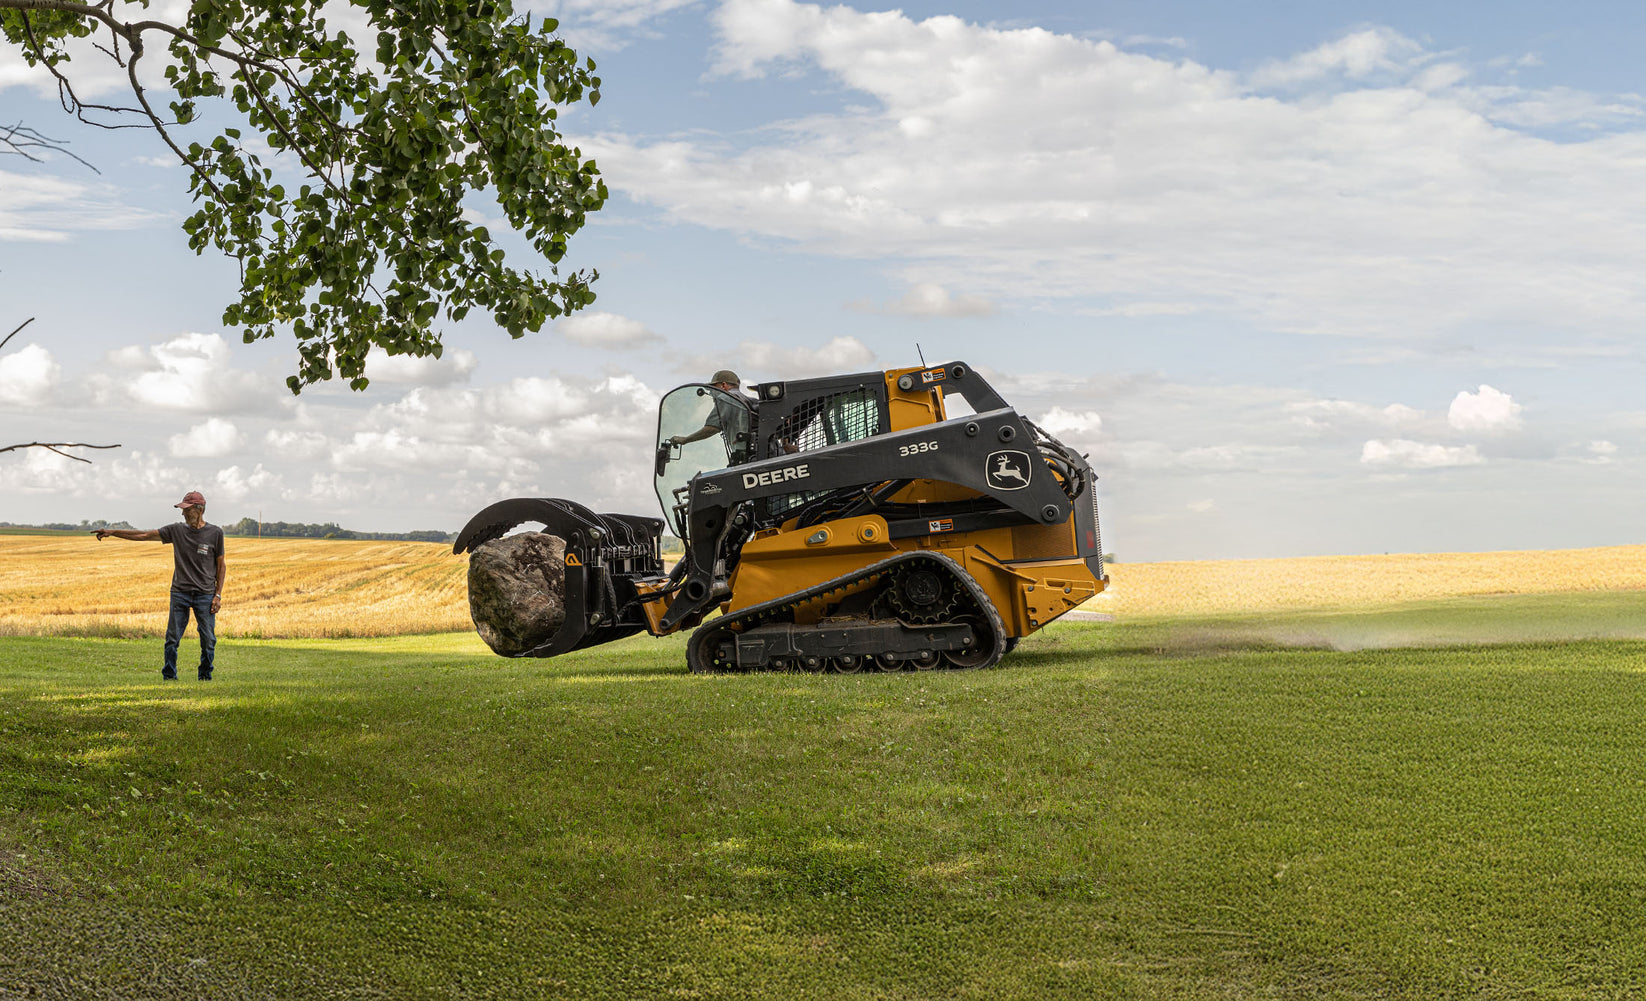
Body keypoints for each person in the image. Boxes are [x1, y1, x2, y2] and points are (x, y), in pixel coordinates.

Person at [96, 491, 226, 681]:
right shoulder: (176, 530)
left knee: (208, 640)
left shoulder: (215, 533)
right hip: (180, 593)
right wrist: (113, 532)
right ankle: (169, 677)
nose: (183, 513)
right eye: (182, 510)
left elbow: (221, 566)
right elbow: (144, 535)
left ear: (199, 510)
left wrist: (218, 595)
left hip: (205, 594)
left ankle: (205, 676)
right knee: (172, 638)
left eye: (187, 510)